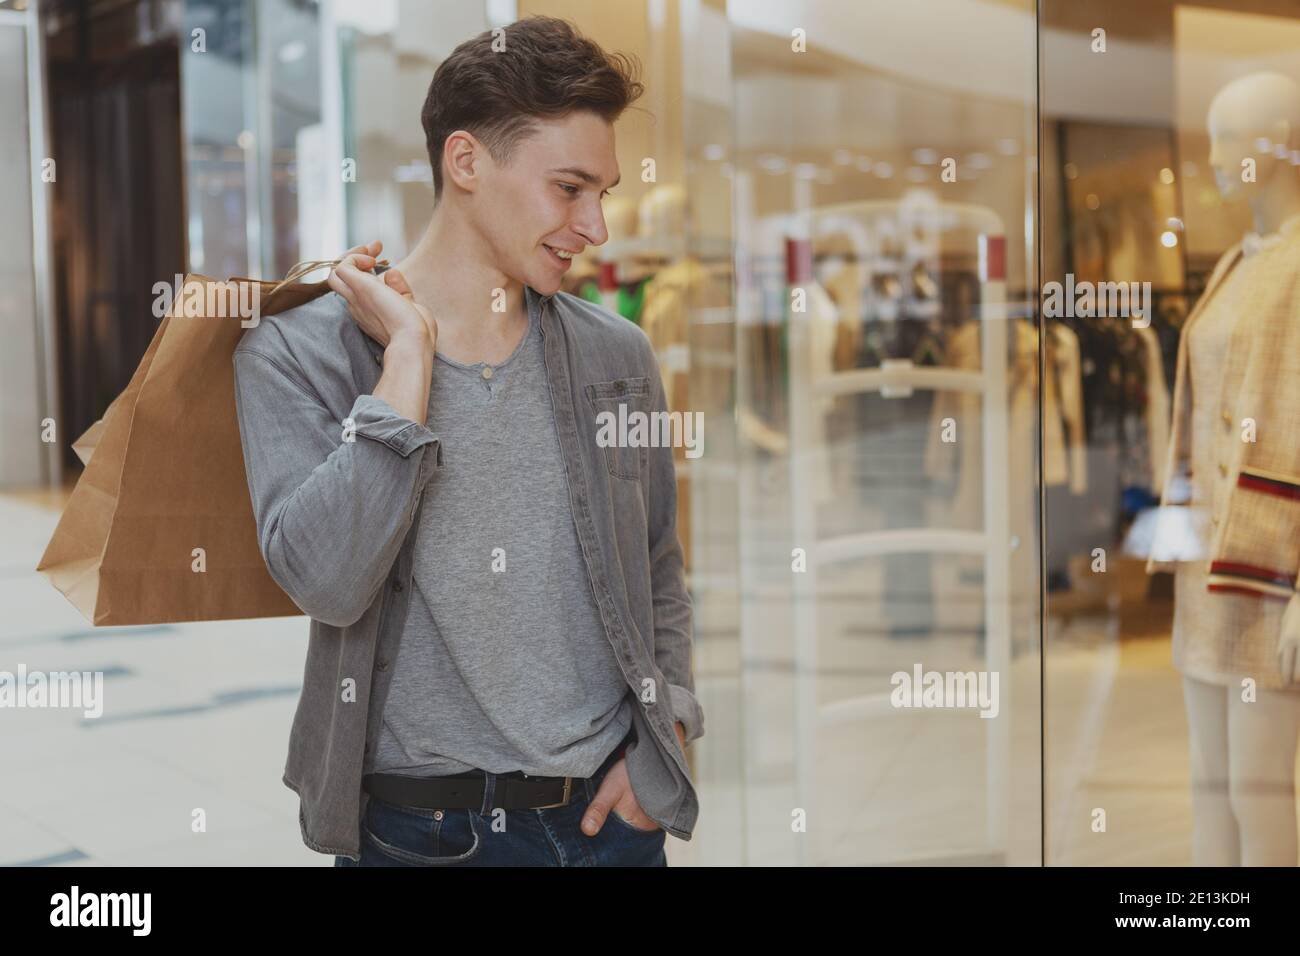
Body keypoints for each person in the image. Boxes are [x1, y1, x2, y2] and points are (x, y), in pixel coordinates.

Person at [232, 15, 703, 866]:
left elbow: (660, 563)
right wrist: (406, 368)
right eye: (569, 189)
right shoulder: (297, 354)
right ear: (466, 162)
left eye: (605, 191)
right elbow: (329, 583)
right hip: (418, 836)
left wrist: (667, 728)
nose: (597, 226)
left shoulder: (616, 356)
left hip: (608, 826)